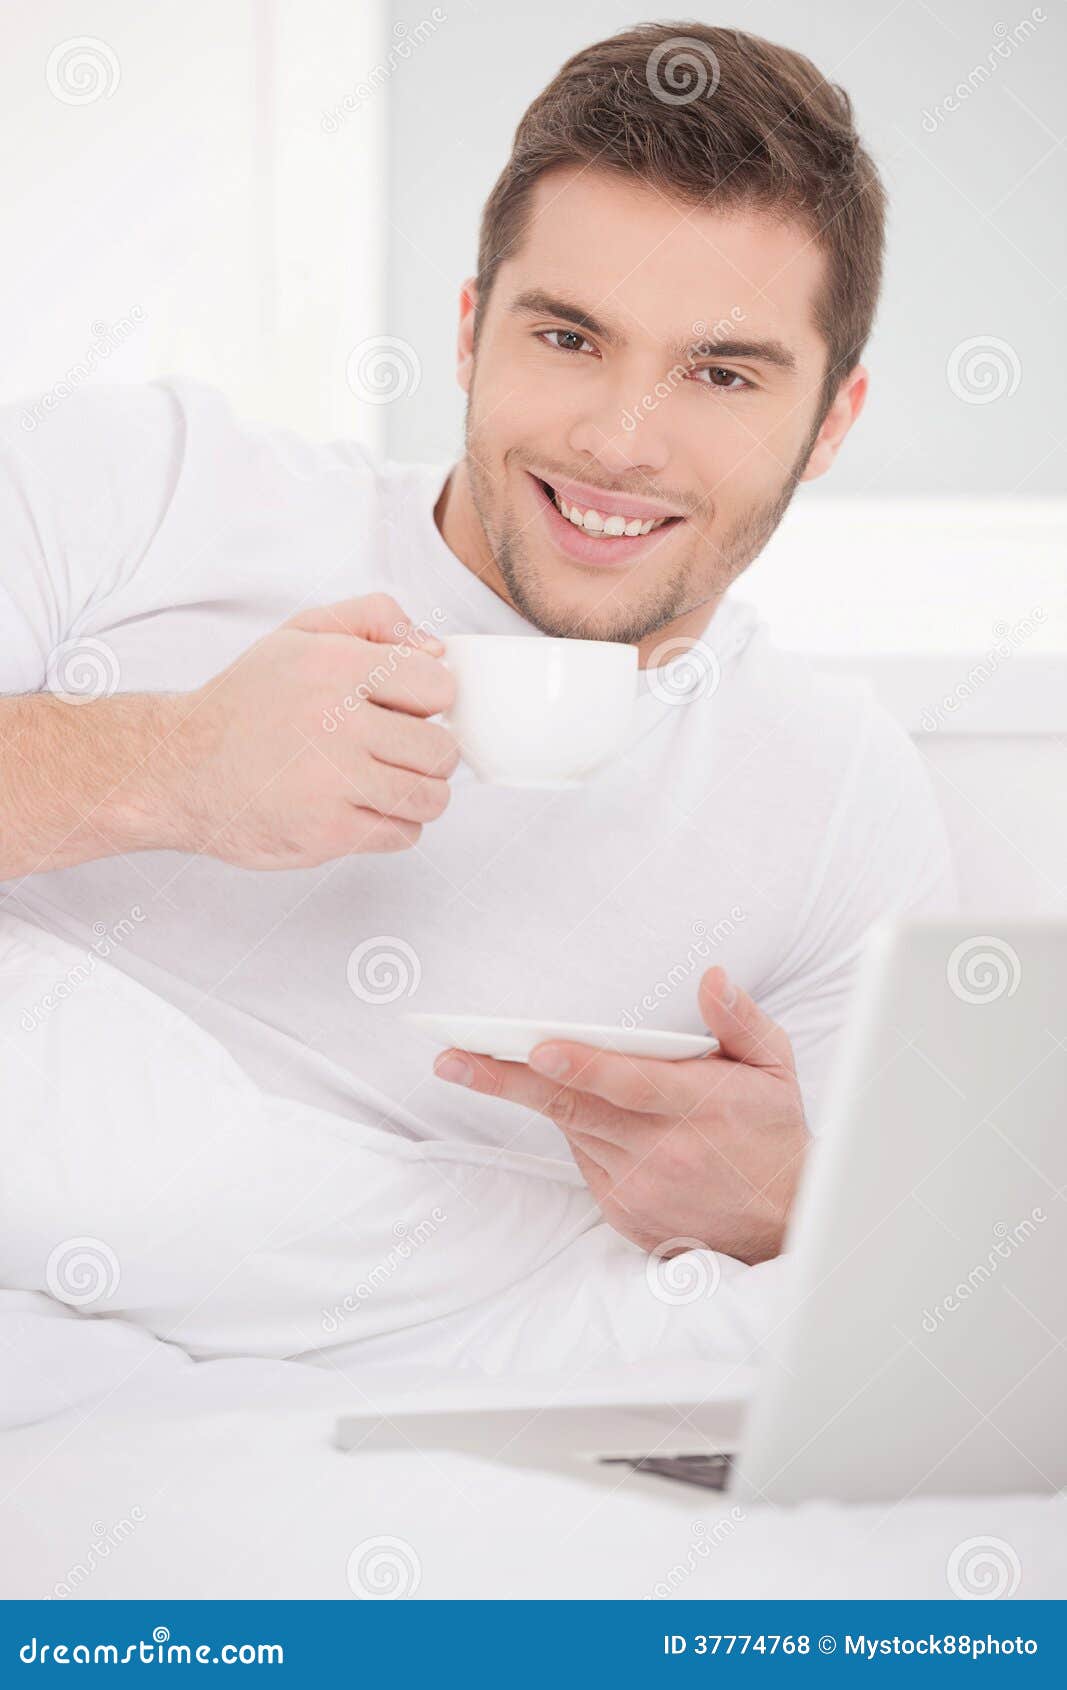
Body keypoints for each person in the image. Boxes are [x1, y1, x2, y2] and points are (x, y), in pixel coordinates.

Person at [0, 23, 953, 1270]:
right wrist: (169, 764)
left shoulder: (839, 799)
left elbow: (905, 1293)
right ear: (467, 332)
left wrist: (789, 1208)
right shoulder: (146, 486)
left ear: (830, 423)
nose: (620, 441)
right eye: (567, 339)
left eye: (720, 374)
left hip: (445, 1412)